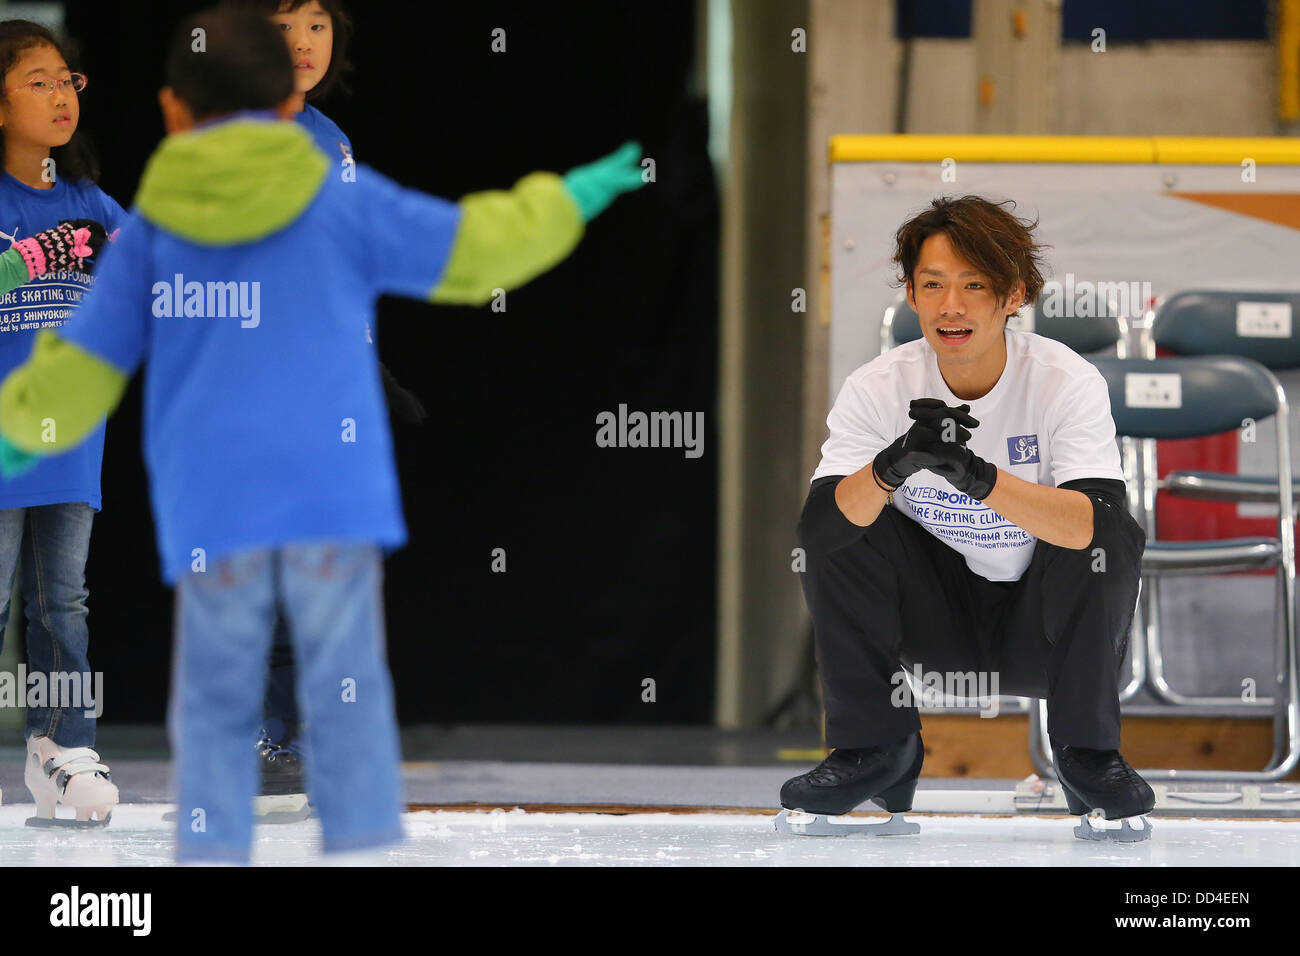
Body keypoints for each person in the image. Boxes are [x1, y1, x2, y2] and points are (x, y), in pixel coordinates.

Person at [0, 7, 645, 862]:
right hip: (335, 494)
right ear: (285, 107)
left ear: (172, 111)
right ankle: (360, 849)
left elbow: (75, 374)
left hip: (216, 507)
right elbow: (478, 246)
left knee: (216, 695)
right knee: (346, 692)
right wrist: (577, 192)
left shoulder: (155, 230)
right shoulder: (338, 202)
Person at [782, 195, 1155, 842]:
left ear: (1013, 294)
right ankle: (876, 747)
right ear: (912, 295)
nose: (950, 305)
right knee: (845, 516)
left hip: (1042, 628)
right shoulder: (878, 387)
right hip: (938, 621)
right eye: (932, 285)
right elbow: (820, 534)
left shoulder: (1065, 381)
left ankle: (1087, 753)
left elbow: (1093, 528)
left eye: (973, 285)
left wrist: (975, 476)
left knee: (1108, 528)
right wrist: (895, 465)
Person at [0, 18, 123, 827]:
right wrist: (34, 257)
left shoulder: (89, 201)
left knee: (63, 604)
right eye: (36, 80)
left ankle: (63, 748)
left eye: (66, 79)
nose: (58, 94)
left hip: (72, 441)